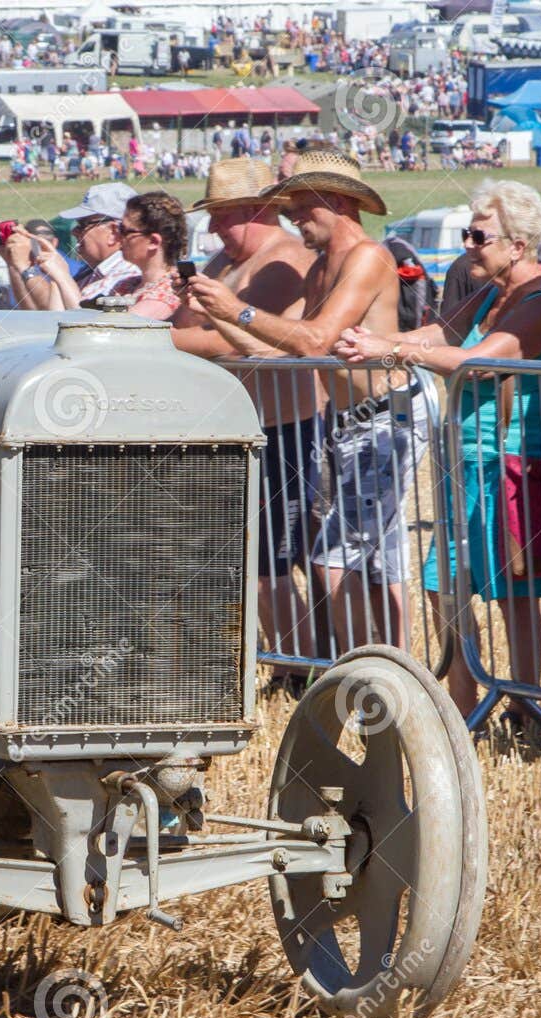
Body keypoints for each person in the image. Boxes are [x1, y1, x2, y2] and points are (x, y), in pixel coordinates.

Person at [337, 180, 541, 736]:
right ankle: (461, 709)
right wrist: (369, 338)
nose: (469, 244)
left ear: (517, 244)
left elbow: (479, 362)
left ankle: (523, 708)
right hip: (464, 457)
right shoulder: (493, 293)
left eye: (479, 235)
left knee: (514, 591)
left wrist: (388, 348)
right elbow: (442, 332)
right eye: (467, 233)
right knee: (444, 581)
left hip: (515, 460)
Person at [186, 147, 436, 652]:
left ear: (338, 201)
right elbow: (274, 349)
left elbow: (315, 340)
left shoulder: (367, 257)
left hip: (386, 420)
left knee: (334, 560)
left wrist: (237, 310)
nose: (292, 216)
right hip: (349, 424)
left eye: (301, 204)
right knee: (376, 563)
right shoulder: (323, 266)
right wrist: (222, 315)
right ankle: (390, 669)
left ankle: (367, 670)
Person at [170, 158, 318, 671]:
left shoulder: (284, 260)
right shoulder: (221, 265)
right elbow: (194, 325)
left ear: (257, 211)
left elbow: (224, 340)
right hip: (247, 425)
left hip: (284, 427)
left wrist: (157, 339)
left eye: (221, 216)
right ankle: (288, 660)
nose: (211, 227)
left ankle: (299, 664)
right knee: (253, 559)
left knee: (273, 560)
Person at [0, 182, 140, 310]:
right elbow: (39, 314)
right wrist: (15, 264)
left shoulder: (127, 275)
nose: (74, 231)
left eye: (83, 225)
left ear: (113, 233)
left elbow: (81, 323)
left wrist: (29, 268)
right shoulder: (93, 271)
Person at [110, 192, 184, 320]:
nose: (117, 237)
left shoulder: (168, 294)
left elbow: (115, 332)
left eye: (124, 230)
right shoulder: (126, 285)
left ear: (153, 242)